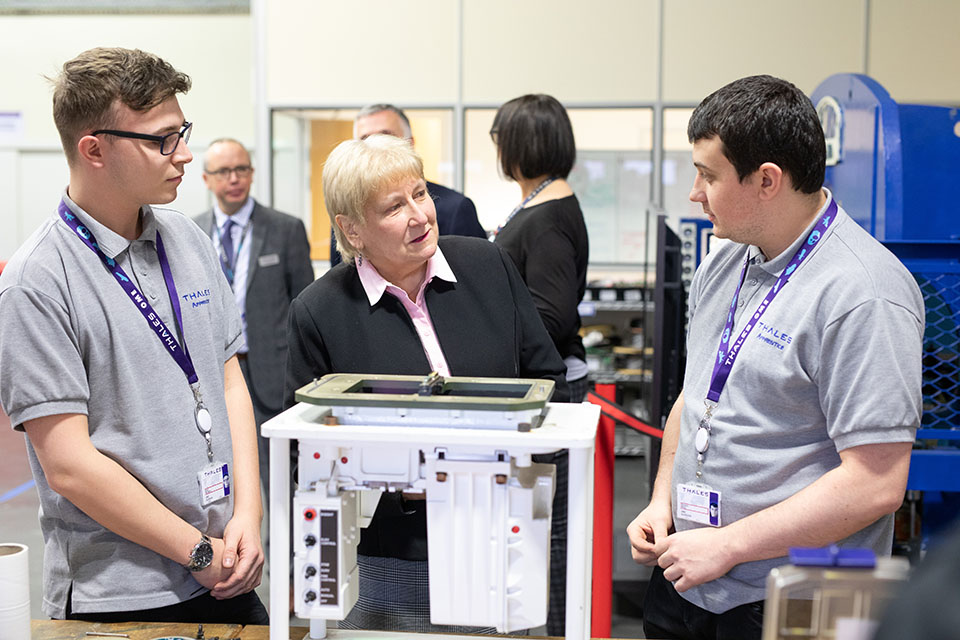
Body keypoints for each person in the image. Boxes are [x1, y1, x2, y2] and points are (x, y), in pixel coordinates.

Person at [626, 75, 924, 640]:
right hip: (687, 570)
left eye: (708, 176)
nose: (695, 193)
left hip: (788, 601)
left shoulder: (864, 293)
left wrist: (727, 545)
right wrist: (662, 501)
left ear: (766, 180)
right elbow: (697, 395)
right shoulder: (725, 260)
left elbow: (876, 483)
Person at [0, 47, 266, 624]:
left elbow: (229, 381)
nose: (186, 155)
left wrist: (249, 512)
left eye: (182, 132)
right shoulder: (39, 281)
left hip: (226, 571)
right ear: (94, 149)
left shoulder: (188, 241)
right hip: (123, 597)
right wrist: (193, 550)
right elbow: (68, 464)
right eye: (162, 140)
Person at [285, 134, 568, 632]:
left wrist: (508, 464)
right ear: (352, 229)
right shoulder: (320, 311)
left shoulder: (487, 265)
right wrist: (407, 492)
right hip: (395, 556)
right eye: (395, 206)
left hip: (501, 529)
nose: (420, 215)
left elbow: (548, 381)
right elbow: (304, 453)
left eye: (420, 193)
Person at [490, 93, 590, 635]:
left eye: (501, 137)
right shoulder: (539, 201)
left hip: (553, 391)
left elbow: (550, 314)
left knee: (548, 530)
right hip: (541, 387)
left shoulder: (550, 215)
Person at [195, 138, 314, 498]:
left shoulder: (285, 229)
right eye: (224, 172)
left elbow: (302, 305)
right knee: (217, 472)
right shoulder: (190, 233)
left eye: (242, 169)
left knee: (276, 477)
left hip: (269, 372)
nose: (234, 178)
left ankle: (284, 552)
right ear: (206, 179)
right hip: (214, 373)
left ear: (251, 173)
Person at [329, 103, 486, 265]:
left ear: (410, 144)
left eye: (386, 137)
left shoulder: (455, 208)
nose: (375, 148)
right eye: (366, 140)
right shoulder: (350, 212)